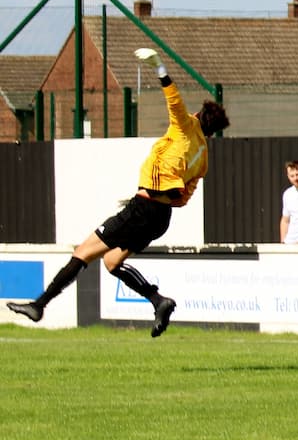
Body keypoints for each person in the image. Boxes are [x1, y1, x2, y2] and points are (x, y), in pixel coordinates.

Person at [6, 47, 230, 336]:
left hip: (143, 209)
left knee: (83, 252)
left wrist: (159, 66)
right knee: (112, 262)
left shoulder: (185, 127)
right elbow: (184, 197)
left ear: (199, 115)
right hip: (161, 217)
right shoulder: (203, 155)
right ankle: (158, 300)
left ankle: (40, 305)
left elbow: (173, 99)